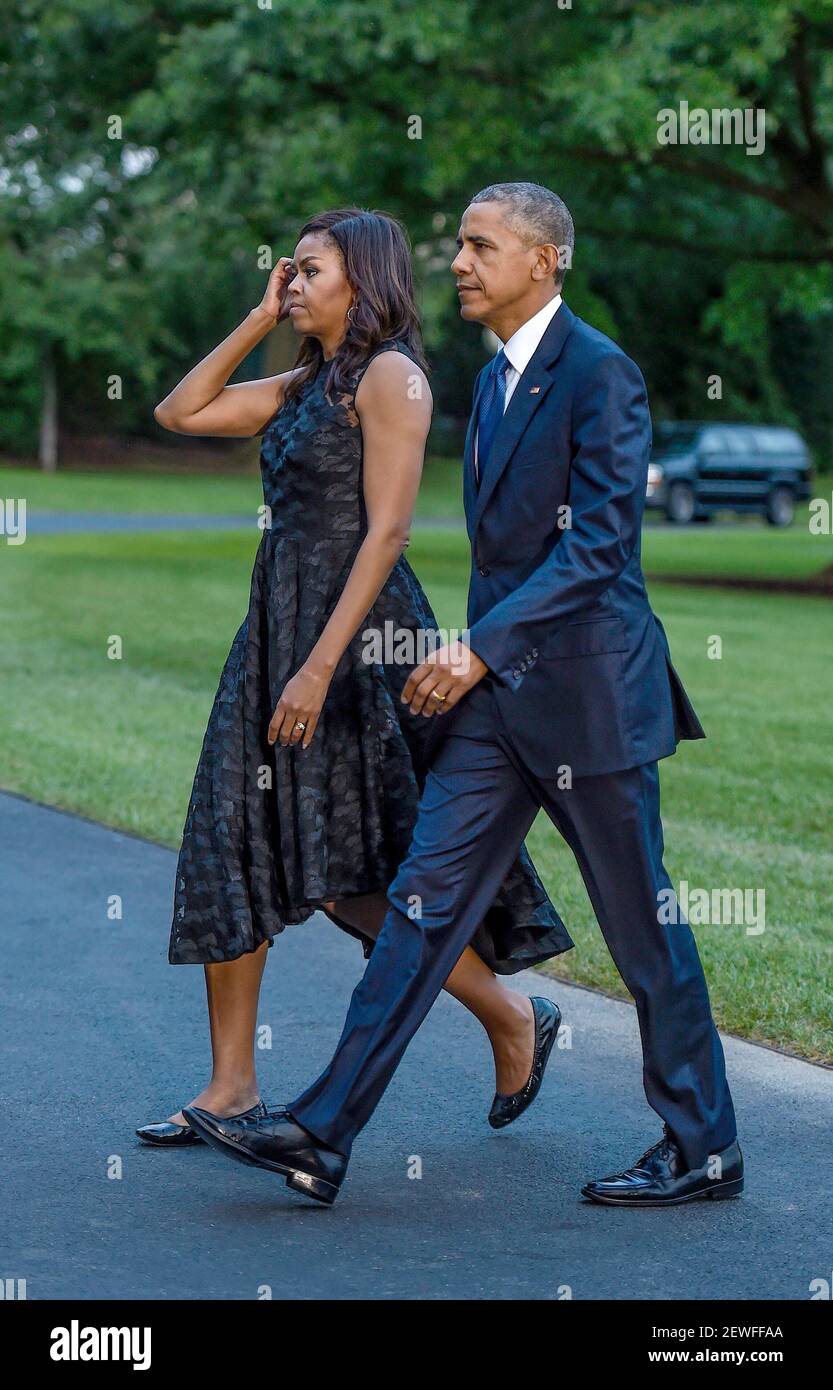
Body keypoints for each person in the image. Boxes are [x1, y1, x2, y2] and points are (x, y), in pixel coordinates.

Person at [186, 182, 742, 1209]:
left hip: (590, 705)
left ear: (544, 260)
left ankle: (702, 1144)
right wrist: (474, 656)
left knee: (641, 931)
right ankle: (322, 1130)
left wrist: (476, 647)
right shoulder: (490, 386)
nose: (458, 263)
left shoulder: (599, 374)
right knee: (417, 907)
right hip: (495, 708)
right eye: (457, 246)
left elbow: (598, 547)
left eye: (481, 247)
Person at [137, 206, 572, 1149]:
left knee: (355, 872)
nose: (293, 283)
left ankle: (507, 1016)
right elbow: (181, 412)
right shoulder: (302, 384)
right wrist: (258, 317)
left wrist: (318, 667)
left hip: (359, 646)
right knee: (234, 839)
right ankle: (229, 1089)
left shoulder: (391, 379)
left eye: (308, 270)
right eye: (287, 271)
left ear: (361, 279)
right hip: (276, 634)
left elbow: (388, 532)